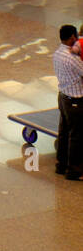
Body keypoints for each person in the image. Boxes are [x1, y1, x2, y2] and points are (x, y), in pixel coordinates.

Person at [54, 24, 83, 180]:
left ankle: (61, 164)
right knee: (77, 135)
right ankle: (74, 171)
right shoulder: (72, 57)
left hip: (63, 97)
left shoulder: (58, 53)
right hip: (76, 101)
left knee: (64, 131)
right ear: (72, 37)